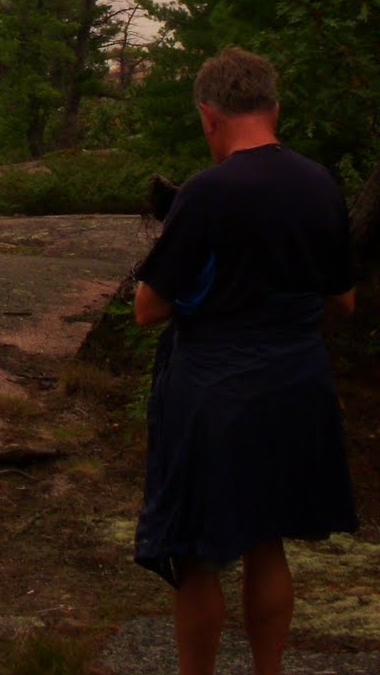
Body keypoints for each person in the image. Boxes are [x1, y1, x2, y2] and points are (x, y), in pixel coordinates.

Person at [133, 47, 357, 675]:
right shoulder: (318, 182)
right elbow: (343, 297)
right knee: (268, 542)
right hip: (297, 383)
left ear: (209, 117)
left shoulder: (207, 192)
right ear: (273, 107)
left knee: (196, 555)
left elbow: (150, 309)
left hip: (215, 392)